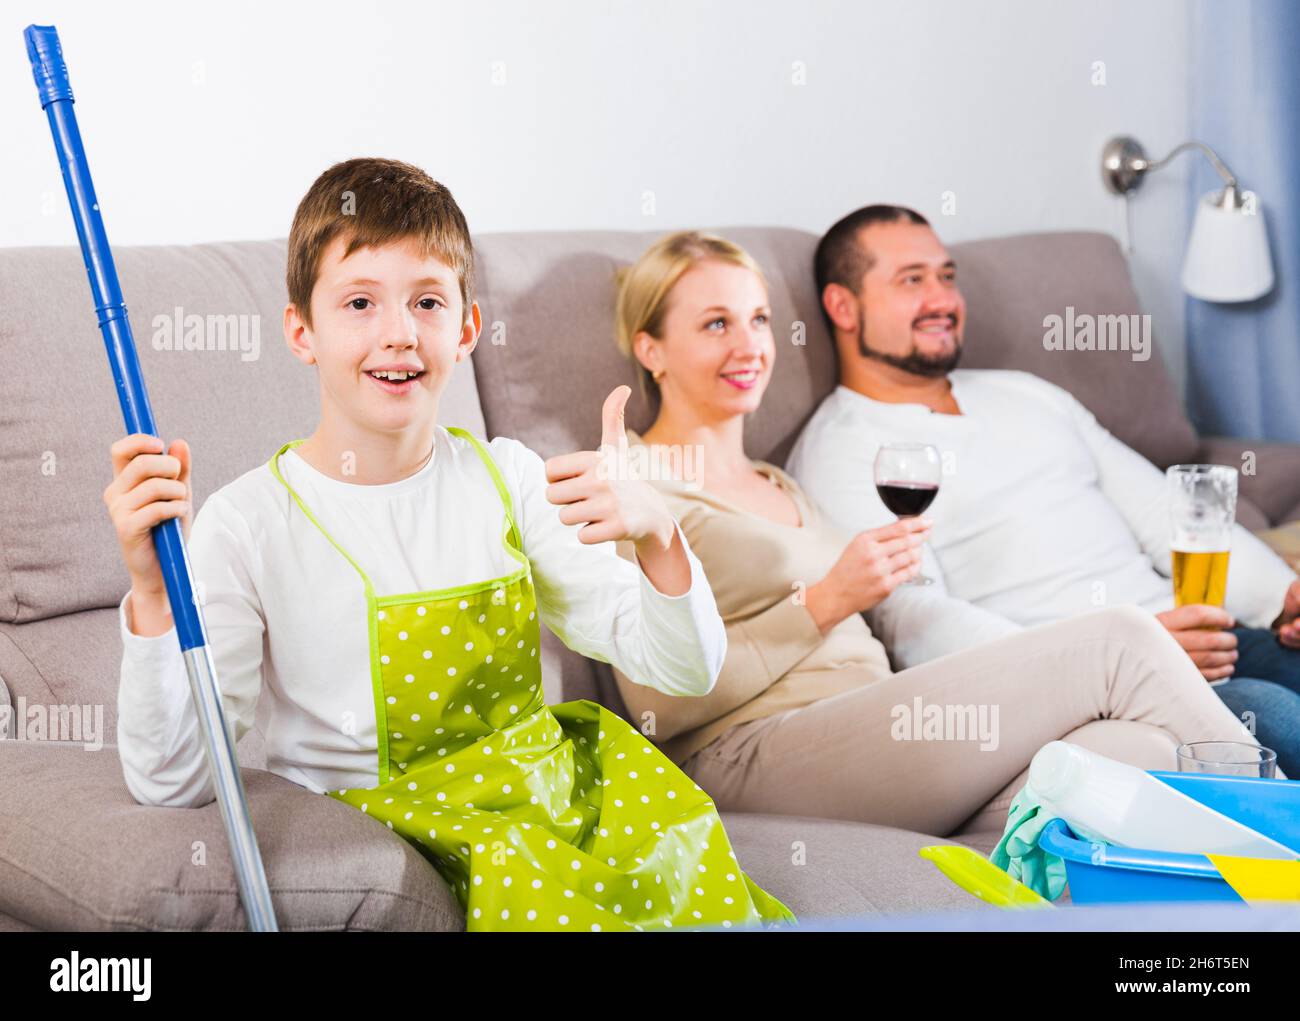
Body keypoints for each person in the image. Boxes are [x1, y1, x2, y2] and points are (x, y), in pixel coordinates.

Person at [104, 158, 794, 932]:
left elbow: (685, 667)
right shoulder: (248, 523)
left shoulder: (510, 479)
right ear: (303, 330)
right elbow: (175, 778)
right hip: (414, 826)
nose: (398, 333)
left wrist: (659, 533)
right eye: (360, 301)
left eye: (427, 301)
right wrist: (156, 596)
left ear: (466, 327)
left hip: (553, 801)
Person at [604, 229, 1290, 849]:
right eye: (716, 323)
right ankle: (1285, 860)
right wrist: (823, 601)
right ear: (650, 347)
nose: (749, 345)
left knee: (1143, 751)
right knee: (1122, 639)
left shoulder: (777, 482)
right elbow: (657, 707)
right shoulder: (634, 485)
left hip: (883, 734)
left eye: (758, 319)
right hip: (751, 752)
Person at [786, 205, 1300, 770]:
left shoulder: (1026, 393)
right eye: (912, 280)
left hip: (1195, 636)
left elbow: (1163, 509)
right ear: (842, 305)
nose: (943, 300)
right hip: (1093, 686)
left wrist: (1280, 599)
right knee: (1278, 721)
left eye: (947, 277)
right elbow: (911, 617)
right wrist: (1122, 655)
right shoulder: (844, 450)